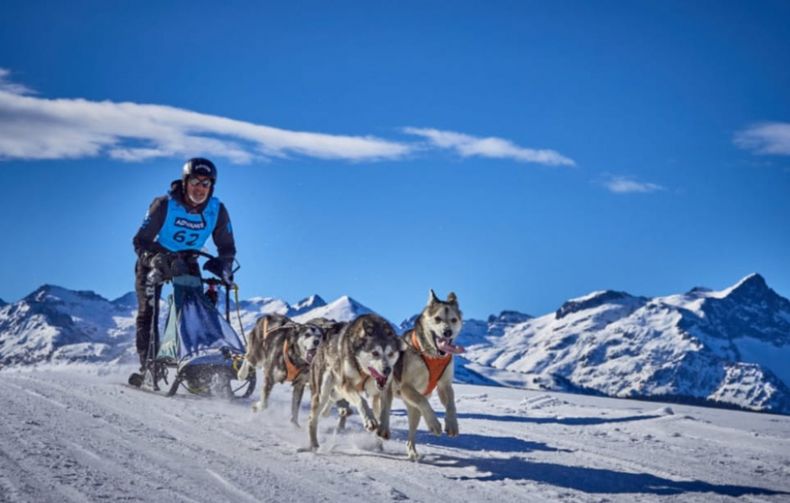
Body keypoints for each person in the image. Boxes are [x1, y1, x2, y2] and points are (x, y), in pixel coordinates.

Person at [132, 158, 236, 368]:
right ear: (185, 182)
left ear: (211, 187)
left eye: (205, 184)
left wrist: (225, 266)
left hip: (188, 259)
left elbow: (227, 247)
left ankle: (196, 362)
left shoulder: (217, 211)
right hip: (155, 259)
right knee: (148, 311)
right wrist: (154, 259)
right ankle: (149, 365)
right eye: (195, 182)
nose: (200, 189)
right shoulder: (164, 205)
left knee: (195, 309)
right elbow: (140, 241)